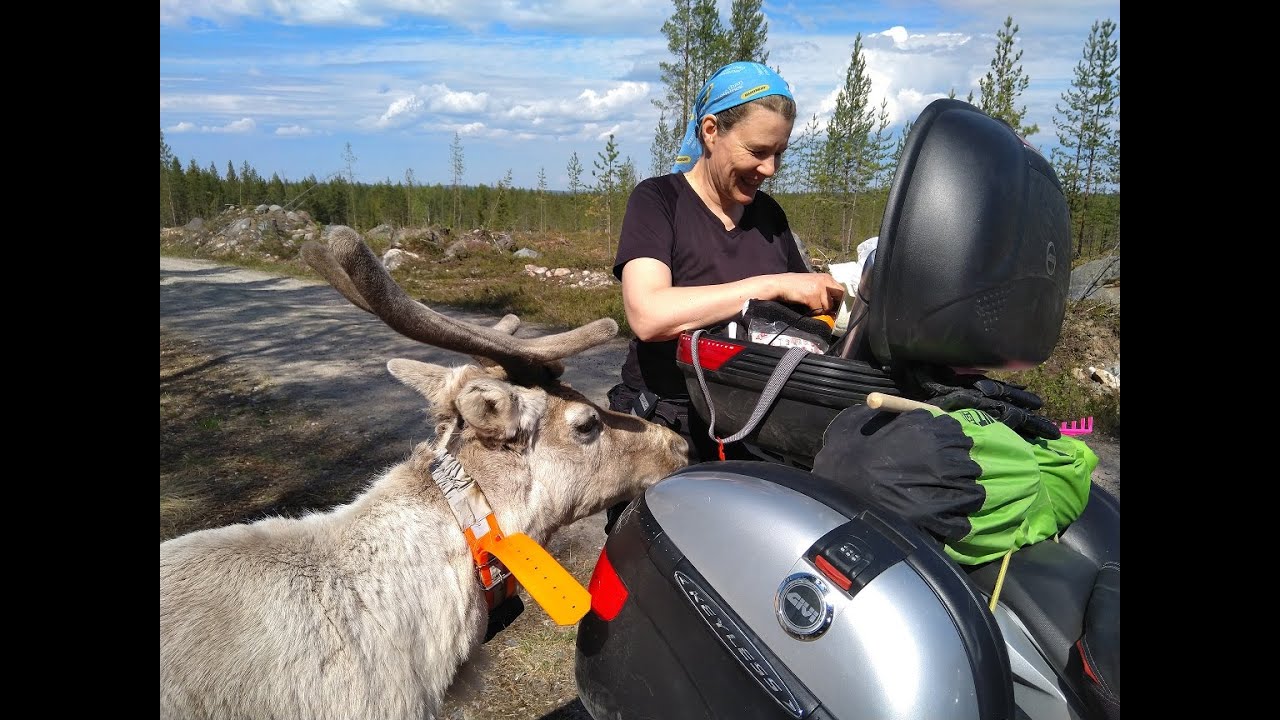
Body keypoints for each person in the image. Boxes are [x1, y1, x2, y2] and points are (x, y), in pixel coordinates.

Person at [606, 61, 845, 492]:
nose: (770, 169)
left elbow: (804, 319)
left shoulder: (769, 216)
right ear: (711, 131)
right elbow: (648, 314)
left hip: (752, 427)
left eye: (780, 153)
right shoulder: (659, 201)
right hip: (664, 426)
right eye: (757, 152)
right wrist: (768, 285)